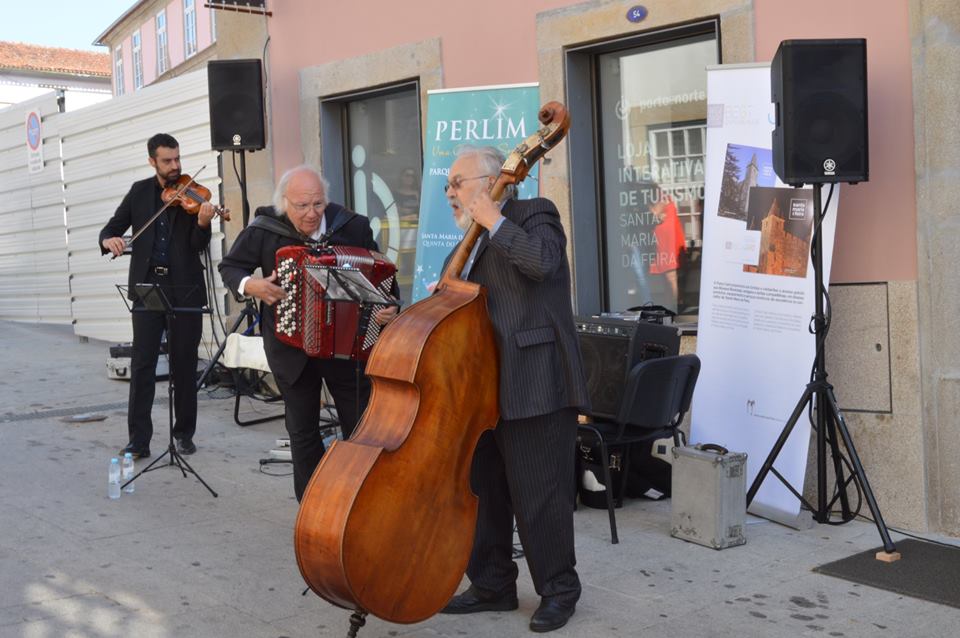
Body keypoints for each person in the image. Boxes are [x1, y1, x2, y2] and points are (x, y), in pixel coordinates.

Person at [439, 146, 590, 633]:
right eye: (448, 186)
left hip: (535, 382)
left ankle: (559, 590)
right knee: (483, 493)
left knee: (541, 495)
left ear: (490, 181)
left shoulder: (534, 214)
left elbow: (543, 265)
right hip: (479, 393)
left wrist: (494, 220)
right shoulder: (467, 242)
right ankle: (492, 584)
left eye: (456, 183)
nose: (450, 194)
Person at [218, 165, 397, 501]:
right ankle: (314, 510)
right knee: (303, 433)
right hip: (291, 349)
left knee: (360, 428)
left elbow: (382, 279)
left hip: (346, 349)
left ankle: (365, 504)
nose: (311, 214)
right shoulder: (265, 228)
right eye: (301, 206)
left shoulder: (353, 226)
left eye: (317, 204)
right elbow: (230, 266)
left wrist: (388, 307)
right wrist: (251, 285)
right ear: (284, 202)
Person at [99, 133, 217, 459]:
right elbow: (111, 228)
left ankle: (184, 434)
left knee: (184, 363)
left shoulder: (191, 194)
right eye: (167, 161)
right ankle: (139, 440)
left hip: (185, 288)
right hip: (148, 287)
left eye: (177, 159)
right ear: (152, 161)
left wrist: (204, 224)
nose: (175, 166)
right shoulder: (139, 193)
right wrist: (109, 240)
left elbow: (197, 246)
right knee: (142, 365)